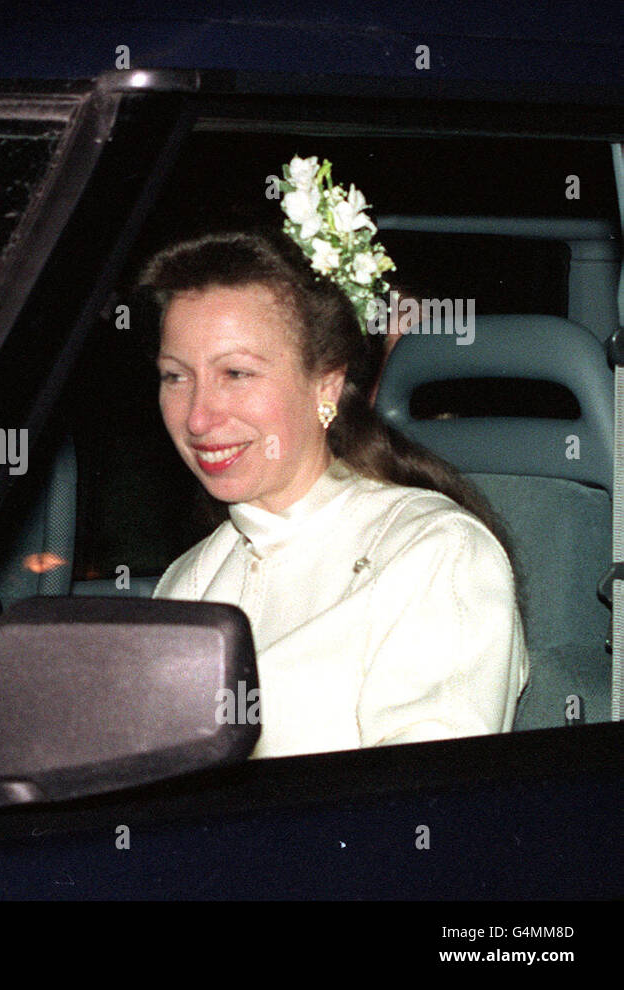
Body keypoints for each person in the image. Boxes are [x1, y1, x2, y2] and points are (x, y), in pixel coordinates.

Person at [142, 206, 528, 759]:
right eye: (176, 376)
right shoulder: (191, 577)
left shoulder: (435, 556)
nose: (198, 417)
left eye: (236, 374)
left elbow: (422, 816)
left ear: (325, 387)